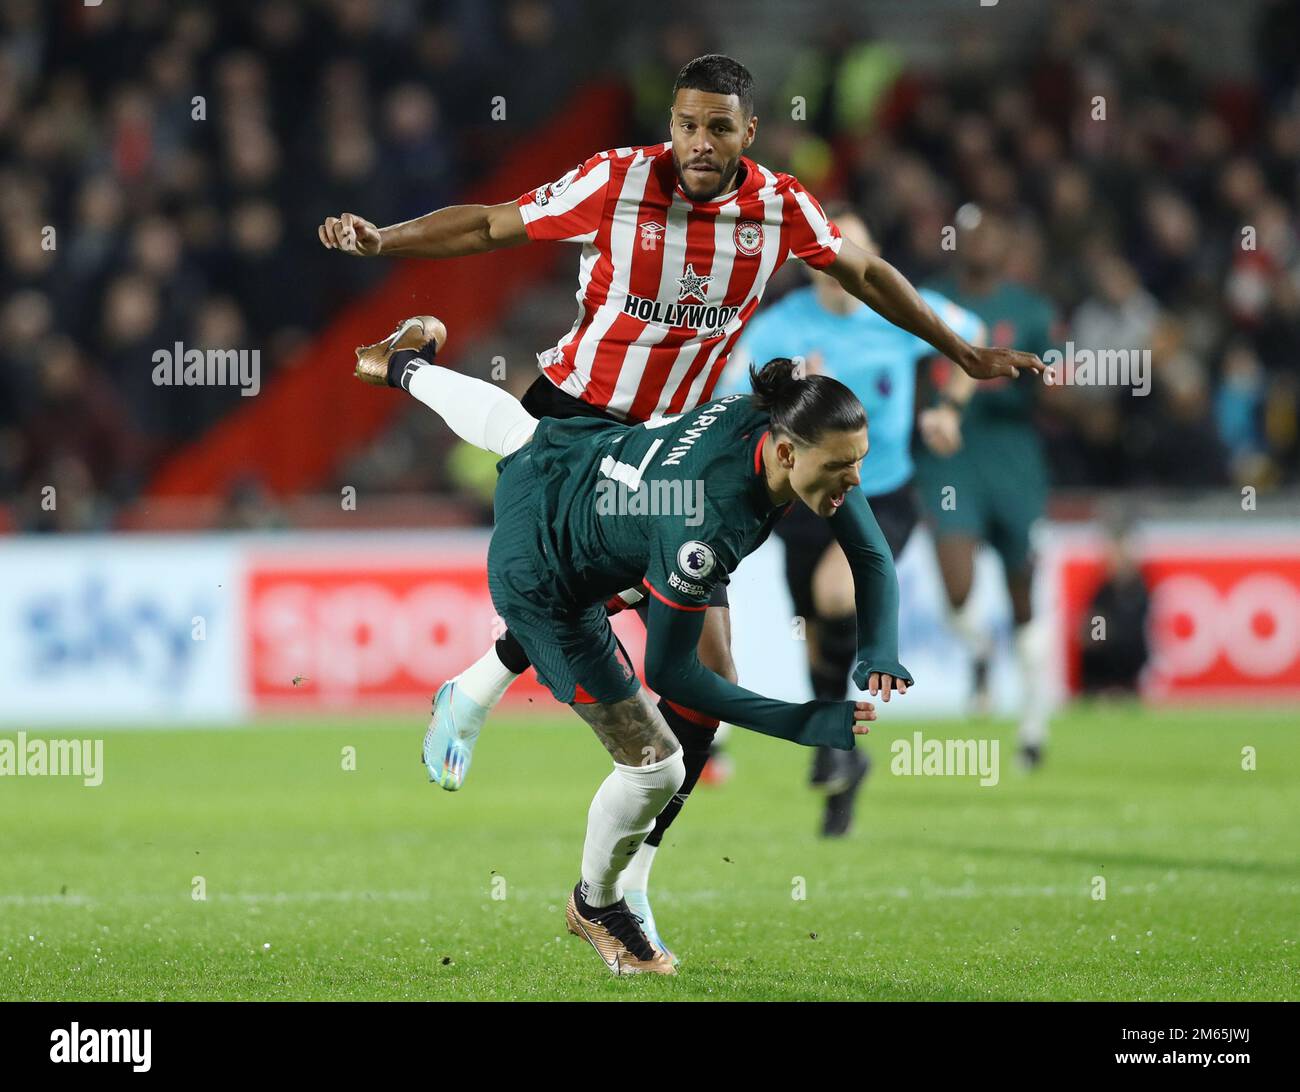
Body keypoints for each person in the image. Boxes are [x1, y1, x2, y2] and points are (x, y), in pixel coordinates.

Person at [320, 55, 1043, 956]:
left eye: (719, 128)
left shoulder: (779, 207)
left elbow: (869, 273)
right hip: (577, 411)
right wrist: (387, 241)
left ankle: (627, 874)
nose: (699, 144)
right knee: (575, 578)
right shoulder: (617, 180)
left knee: (704, 668)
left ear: (749, 133)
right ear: (674, 123)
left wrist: (961, 352)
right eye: (687, 125)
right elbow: (491, 227)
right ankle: (481, 684)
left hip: (677, 447)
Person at [354, 316, 914, 974]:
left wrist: (879, 647)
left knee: (518, 433)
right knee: (657, 765)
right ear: (786, 453)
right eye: (842, 467)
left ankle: (404, 366)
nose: (855, 481)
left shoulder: (773, 423)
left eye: (859, 463)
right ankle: (597, 904)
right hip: (543, 574)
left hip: (580, 458)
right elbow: (669, 673)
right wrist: (801, 721)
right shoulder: (702, 529)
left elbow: (871, 554)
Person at [721, 206, 984, 836]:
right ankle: (842, 765)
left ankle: (832, 742)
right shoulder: (780, 328)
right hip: (805, 498)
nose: (839, 268)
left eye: (853, 254)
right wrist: (794, 397)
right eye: (829, 255)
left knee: (835, 594)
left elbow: (969, 339)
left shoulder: (898, 312)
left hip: (879, 491)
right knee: (815, 627)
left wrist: (948, 406)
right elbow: (736, 399)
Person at [911, 205, 1059, 767]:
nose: (978, 243)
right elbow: (914, 369)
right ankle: (979, 647)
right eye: (969, 234)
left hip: (1015, 460)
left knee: (1024, 593)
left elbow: (1054, 386)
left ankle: (1033, 728)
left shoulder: (1030, 309)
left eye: (989, 232)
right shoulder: (929, 299)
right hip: (951, 457)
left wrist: (1066, 388)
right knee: (955, 590)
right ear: (956, 243)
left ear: (1005, 242)